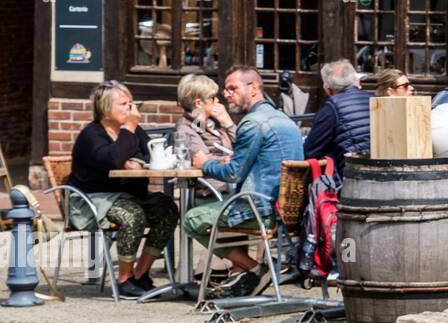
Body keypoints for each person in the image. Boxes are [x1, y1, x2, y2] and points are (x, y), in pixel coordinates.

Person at [188, 66, 305, 298]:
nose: (226, 94)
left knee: (191, 219)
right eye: (225, 90)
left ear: (253, 88)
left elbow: (233, 174)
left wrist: (204, 164)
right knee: (217, 212)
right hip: (288, 212)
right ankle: (249, 272)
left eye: (232, 88)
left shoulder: (253, 124)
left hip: (258, 209)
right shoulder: (285, 120)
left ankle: (253, 269)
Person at [67, 82, 181, 298]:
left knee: (167, 209)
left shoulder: (134, 131)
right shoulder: (92, 135)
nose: (130, 109)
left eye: (131, 103)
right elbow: (113, 158)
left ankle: (140, 274)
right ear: (104, 108)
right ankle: (123, 279)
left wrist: (136, 159)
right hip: (94, 199)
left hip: (131, 195)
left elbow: (149, 156)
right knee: (133, 215)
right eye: (124, 104)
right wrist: (128, 129)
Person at [303, 60, 372, 171]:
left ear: (328, 89)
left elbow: (311, 151)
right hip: (379, 168)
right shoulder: (372, 99)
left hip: (349, 175)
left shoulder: (331, 108)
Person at [173, 74, 236, 195]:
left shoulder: (215, 122)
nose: (217, 100)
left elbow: (244, 144)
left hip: (230, 186)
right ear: (198, 103)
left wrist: (229, 124)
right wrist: (231, 160)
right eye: (213, 97)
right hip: (211, 193)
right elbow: (202, 160)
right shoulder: (185, 129)